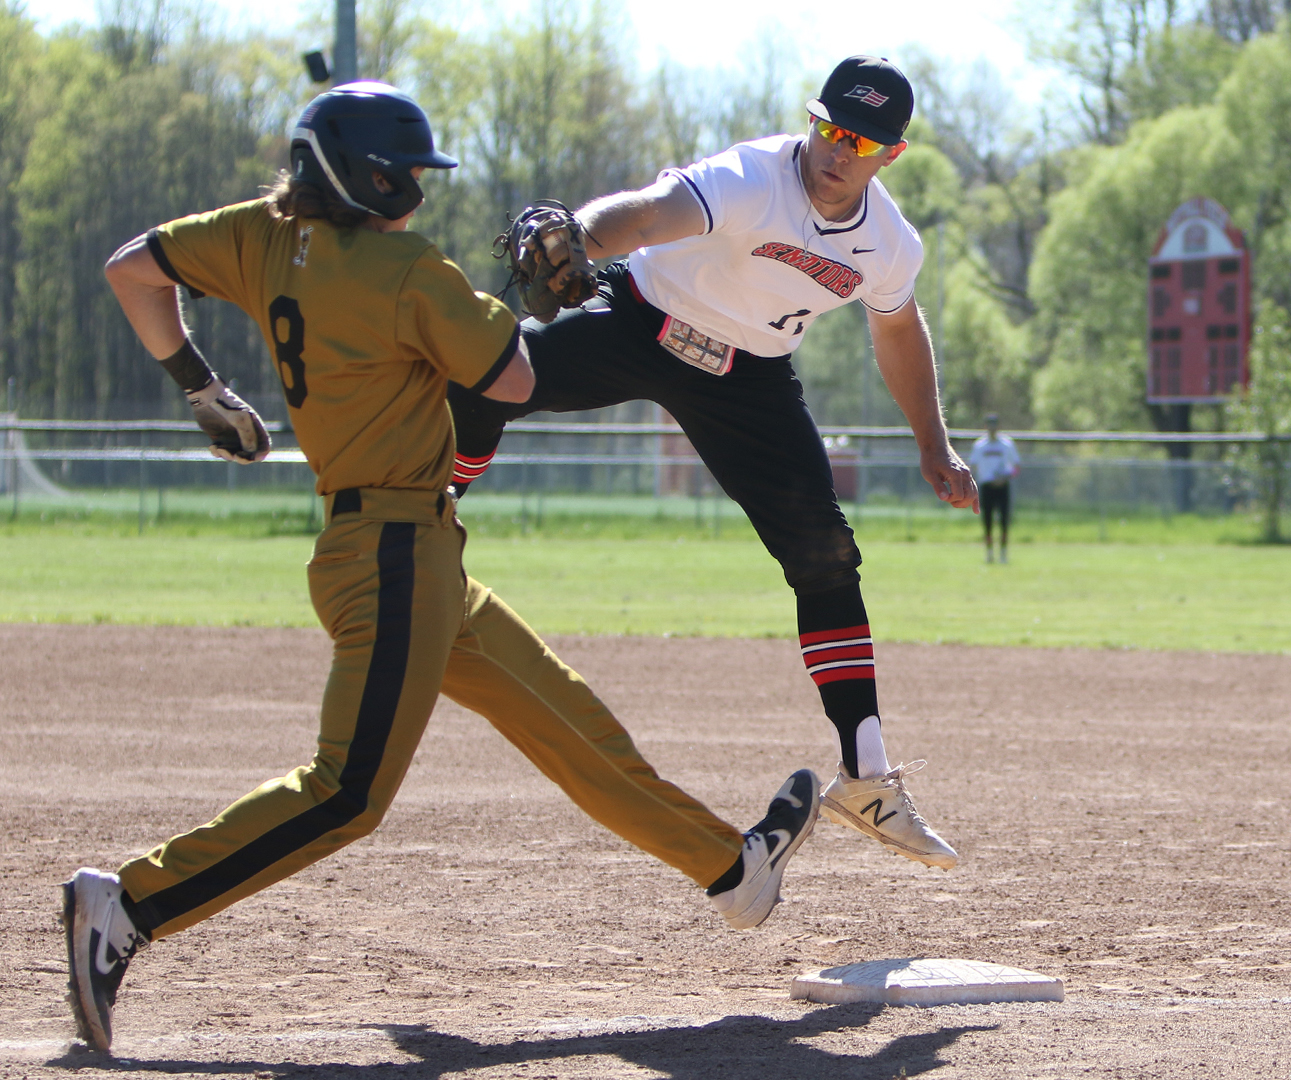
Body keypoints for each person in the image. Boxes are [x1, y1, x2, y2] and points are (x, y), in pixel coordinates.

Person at [63, 82, 818, 1057]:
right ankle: (128, 904)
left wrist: (202, 388)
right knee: (347, 791)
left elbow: (133, 270)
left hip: (406, 550)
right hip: (392, 556)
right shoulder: (408, 270)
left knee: (564, 717)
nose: (418, 194)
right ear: (368, 181)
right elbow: (515, 377)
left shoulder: (258, 234)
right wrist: (542, 300)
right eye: (407, 178)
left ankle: (734, 871)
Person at [446, 55, 972, 872]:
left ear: (890, 155)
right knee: (486, 374)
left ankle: (867, 777)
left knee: (826, 555)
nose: (839, 150)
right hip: (638, 320)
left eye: (861, 141)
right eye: (830, 127)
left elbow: (897, 330)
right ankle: (427, 514)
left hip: (748, 377)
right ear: (812, 119)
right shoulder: (751, 177)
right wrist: (578, 238)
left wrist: (932, 444)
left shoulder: (889, 244)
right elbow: (649, 215)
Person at [968, 414, 1020, 563]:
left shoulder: (1007, 444)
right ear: (985, 426)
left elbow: (1016, 467)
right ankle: (989, 552)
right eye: (989, 424)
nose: (992, 428)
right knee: (987, 521)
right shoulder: (980, 445)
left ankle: (1003, 552)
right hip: (986, 486)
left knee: (1004, 520)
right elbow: (974, 465)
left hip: (1003, 486)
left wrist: (1005, 477)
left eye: (994, 424)